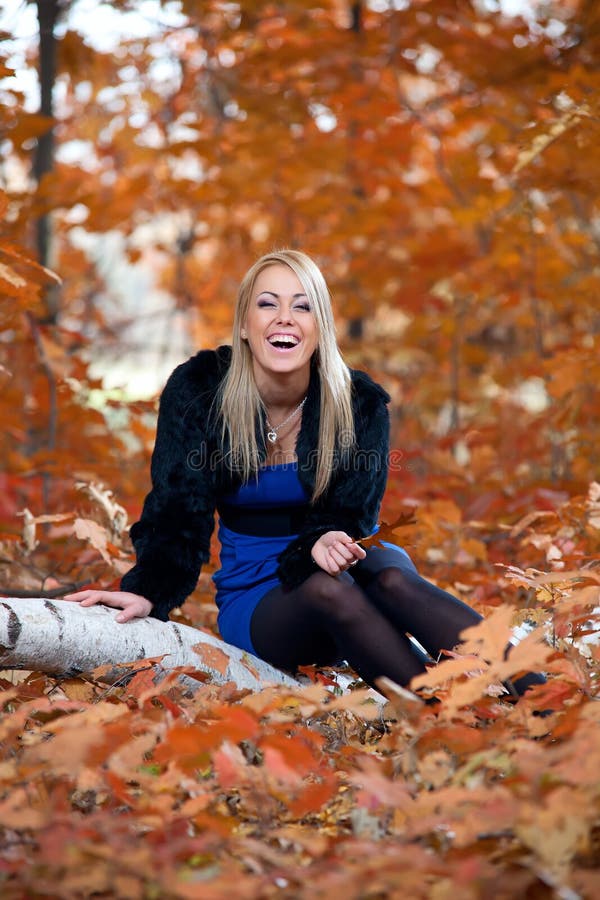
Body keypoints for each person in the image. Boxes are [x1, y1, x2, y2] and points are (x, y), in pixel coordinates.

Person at [64, 249, 544, 698]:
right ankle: (452, 719)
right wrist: (148, 592)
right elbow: (177, 509)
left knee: (393, 580)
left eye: (302, 306)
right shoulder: (201, 393)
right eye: (267, 304)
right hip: (263, 594)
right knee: (326, 589)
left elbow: (354, 513)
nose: (284, 318)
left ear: (320, 327)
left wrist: (326, 537)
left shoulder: (357, 403)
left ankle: (546, 700)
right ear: (245, 325)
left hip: (345, 557)